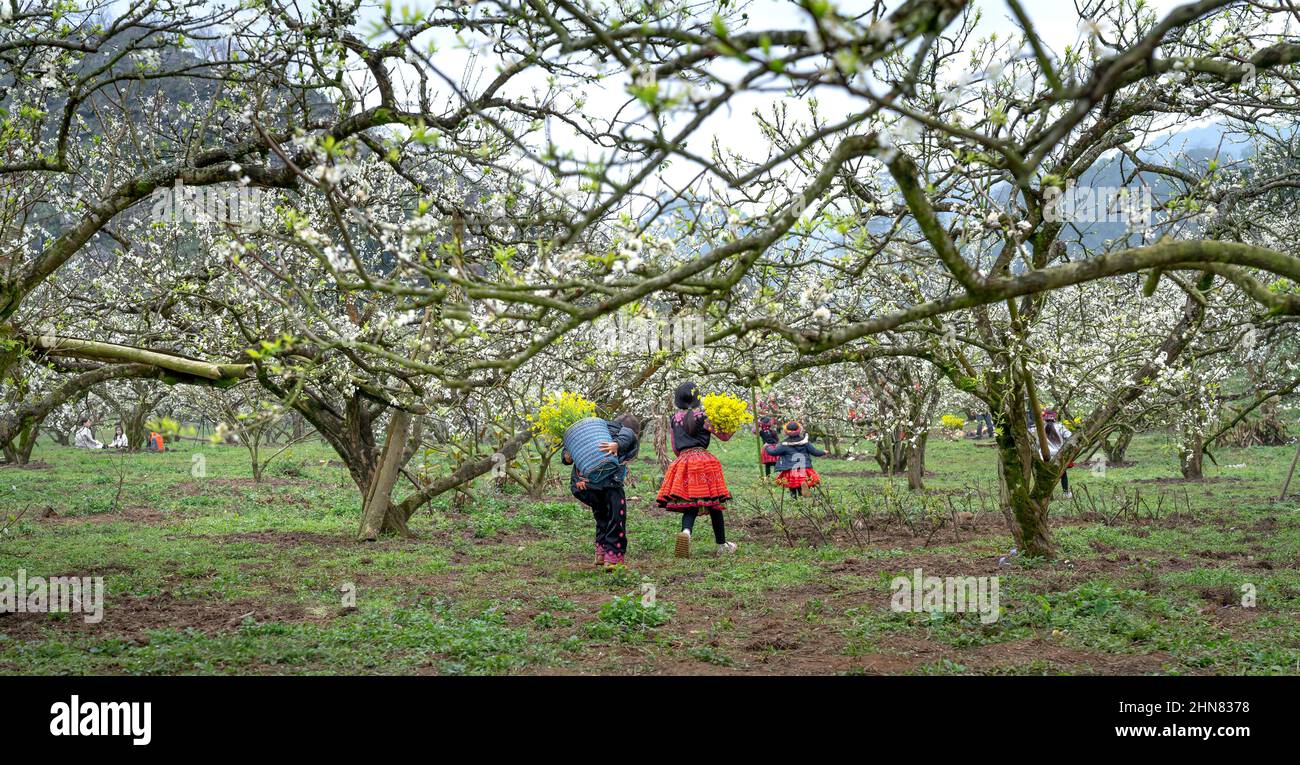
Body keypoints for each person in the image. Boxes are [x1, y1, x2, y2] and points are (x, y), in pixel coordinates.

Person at [656, 381, 736, 558]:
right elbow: (724, 437)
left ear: (678, 400)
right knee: (714, 504)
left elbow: (675, 447)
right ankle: (722, 545)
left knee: (690, 503)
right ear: (697, 397)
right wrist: (733, 421)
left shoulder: (674, 419)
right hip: (705, 462)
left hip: (684, 461)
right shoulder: (704, 416)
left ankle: (686, 532)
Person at [563, 414, 640, 569]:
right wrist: (617, 445)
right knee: (616, 518)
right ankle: (613, 558)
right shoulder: (624, 432)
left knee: (602, 516)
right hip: (610, 485)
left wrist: (567, 456)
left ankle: (601, 553)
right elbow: (628, 435)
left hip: (584, 486)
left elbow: (568, 453)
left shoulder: (593, 437)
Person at [766, 421, 827, 498]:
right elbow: (815, 452)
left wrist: (767, 447)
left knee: (792, 486)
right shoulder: (805, 442)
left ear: (786, 431)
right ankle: (803, 492)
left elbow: (773, 452)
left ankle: (794, 499)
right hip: (804, 468)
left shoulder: (784, 444)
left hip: (791, 469)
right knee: (804, 482)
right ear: (799, 430)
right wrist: (823, 452)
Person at [1030, 409, 1074, 498]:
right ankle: (1065, 493)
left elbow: (1038, 444)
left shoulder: (1040, 428)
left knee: (1046, 476)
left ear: (1044, 418)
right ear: (1054, 418)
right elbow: (1070, 436)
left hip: (1044, 456)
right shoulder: (1060, 427)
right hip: (1059, 455)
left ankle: (1049, 495)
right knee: (1063, 474)